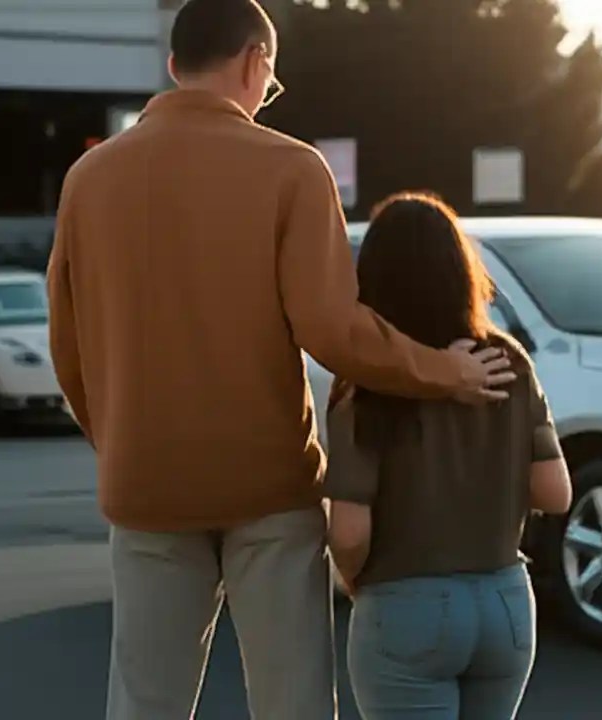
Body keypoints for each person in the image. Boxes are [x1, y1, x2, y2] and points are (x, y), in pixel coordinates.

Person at [46, 2, 514, 718]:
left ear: (174, 68)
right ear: (255, 61)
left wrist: (118, 445)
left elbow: (67, 342)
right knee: (291, 700)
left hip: (144, 484)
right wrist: (444, 371)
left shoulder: (89, 178)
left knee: (145, 700)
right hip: (267, 486)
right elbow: (333, 331)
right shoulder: (291, 168)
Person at [325, 193, 573, 720]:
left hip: (406, 603)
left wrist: (356, 584)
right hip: (505, 601)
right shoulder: (507, 360)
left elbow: (348, 531)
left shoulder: (366, 380)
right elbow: (555, 492)